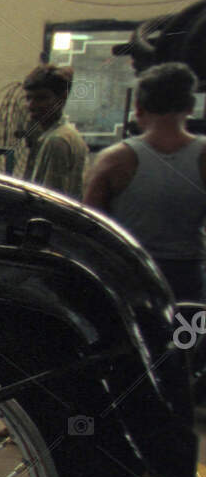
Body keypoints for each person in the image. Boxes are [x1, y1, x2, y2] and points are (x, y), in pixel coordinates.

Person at [84, 62, 206, 302]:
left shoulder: (113, 161)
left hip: (130, 279)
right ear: (191, 106)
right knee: (187, 338)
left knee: (136, 339)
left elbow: (89, 229)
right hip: (188, 281)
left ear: (138, 108)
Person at [18, 64, 88, 199]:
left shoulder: (57, 141)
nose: (31, 105)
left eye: (41, 98)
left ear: (62, 98)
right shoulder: (63, 134)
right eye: (28, 98)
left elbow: (51, 200)